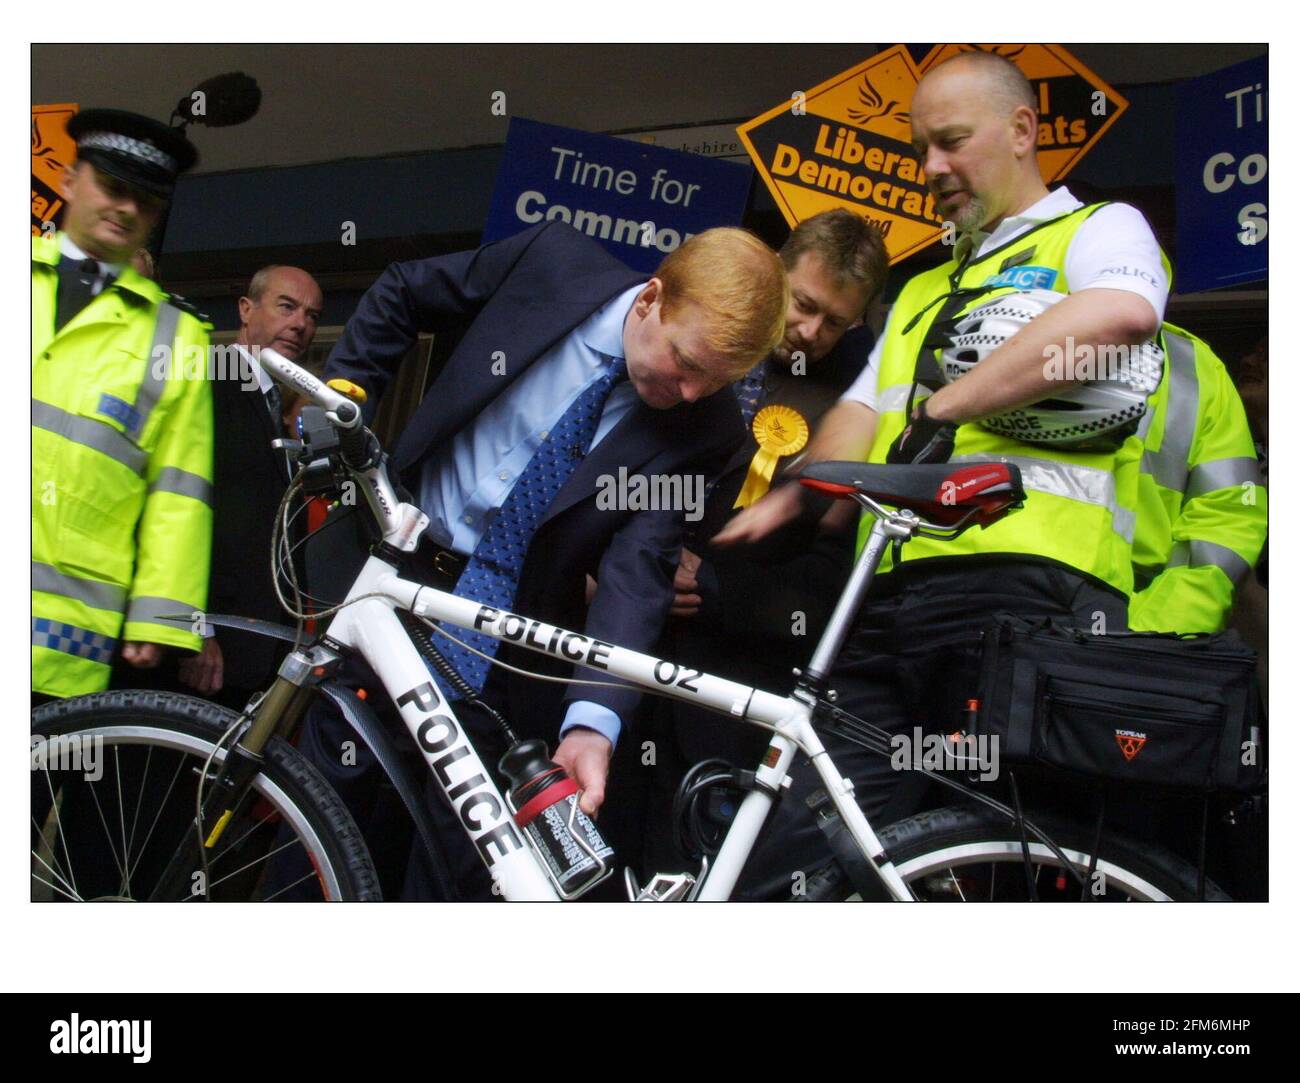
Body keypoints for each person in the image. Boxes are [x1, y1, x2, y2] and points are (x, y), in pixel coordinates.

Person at [713, 50, 1177, 898]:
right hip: (886, 601)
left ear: (1023, 131)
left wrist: (947, 405)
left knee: (1020, 865)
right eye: (922, 148)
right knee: (801, 852)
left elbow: (1120, 312)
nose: (932, 168)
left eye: (952, 142)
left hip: (1031, 600)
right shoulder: (922, 289)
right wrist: (790, 500)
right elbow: (858, 413)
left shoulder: (1102, 228)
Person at [300, 221, 786, 898]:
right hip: (398, 591)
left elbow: (636, 575)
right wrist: (344, 397)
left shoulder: (707, 431)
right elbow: (404, 291)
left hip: (510, 654)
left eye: (717, 382)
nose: (692, 394)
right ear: (650, 300)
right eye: (687, 364)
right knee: (319, 822)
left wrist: (593, 722)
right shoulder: (550, 264)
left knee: (455, 876)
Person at [621, 209, 888, 878]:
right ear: (776, 266)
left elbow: (831, 583)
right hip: (618, 659)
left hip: (728, 699)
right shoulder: (685, 341)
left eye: (837, 322)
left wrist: (713, 590)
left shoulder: (850, 414)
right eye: (804, 304)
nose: (811, 331)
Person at [33, 109, 211, 699]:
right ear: (68, 181)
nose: (127, 208)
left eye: (146, 201)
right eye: (112, 187)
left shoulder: (177, 336)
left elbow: (180, 488)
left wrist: (163, 614)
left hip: (64, 638)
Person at [176, 265, 325, 707]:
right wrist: (193, 628)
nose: (300, 323)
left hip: (253, 658)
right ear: (246, 309)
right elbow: (180, 505)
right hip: (202, 653)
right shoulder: (208, 381)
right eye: (286, 306)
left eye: (312, 315)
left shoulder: (274, 405)